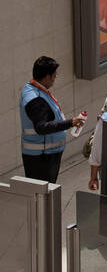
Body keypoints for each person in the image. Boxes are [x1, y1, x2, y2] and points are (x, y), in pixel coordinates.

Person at [20, 55, 86, 183]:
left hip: (43, 153)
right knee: (43, 195)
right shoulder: (36, 99)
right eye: (54, 75)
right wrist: (70, 122)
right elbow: (42, 127)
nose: (55, 78)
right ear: (46, 77)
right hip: (42, 157)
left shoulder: (31, 88)